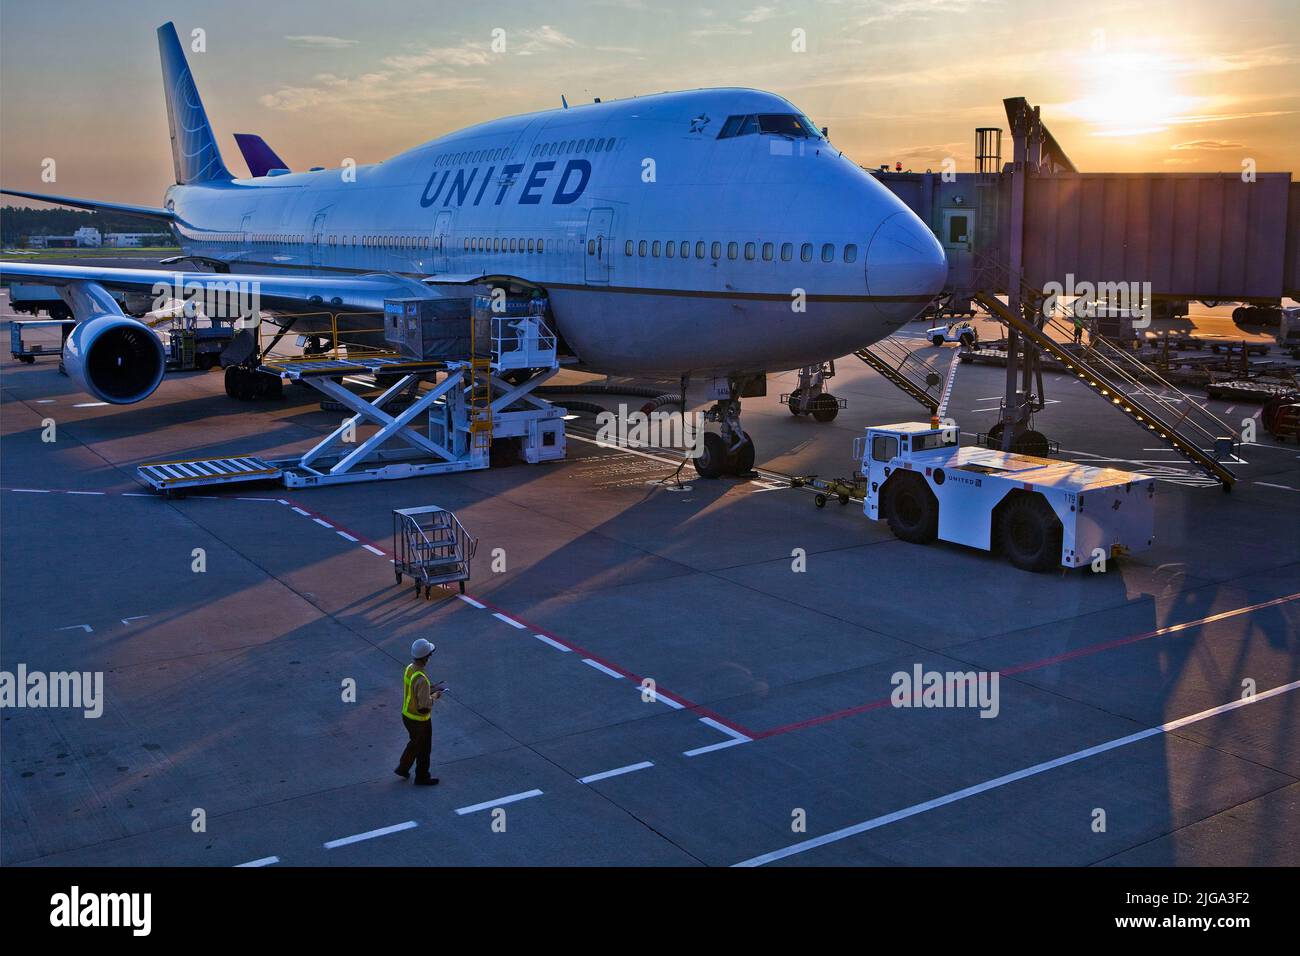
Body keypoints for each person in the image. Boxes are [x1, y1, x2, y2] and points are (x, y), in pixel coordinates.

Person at [395, 638, 443, 786]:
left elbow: (415, 691)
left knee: (415, 744)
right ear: (425, 657)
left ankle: (403, 768)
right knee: (424, 749)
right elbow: (424, 705)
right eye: (429, 655)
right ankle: (422, 776)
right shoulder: (421, 678)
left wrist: (431, 688)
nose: (430, 657)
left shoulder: (410, 668)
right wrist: (435, 695)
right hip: (419, 720)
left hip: (407, 715)